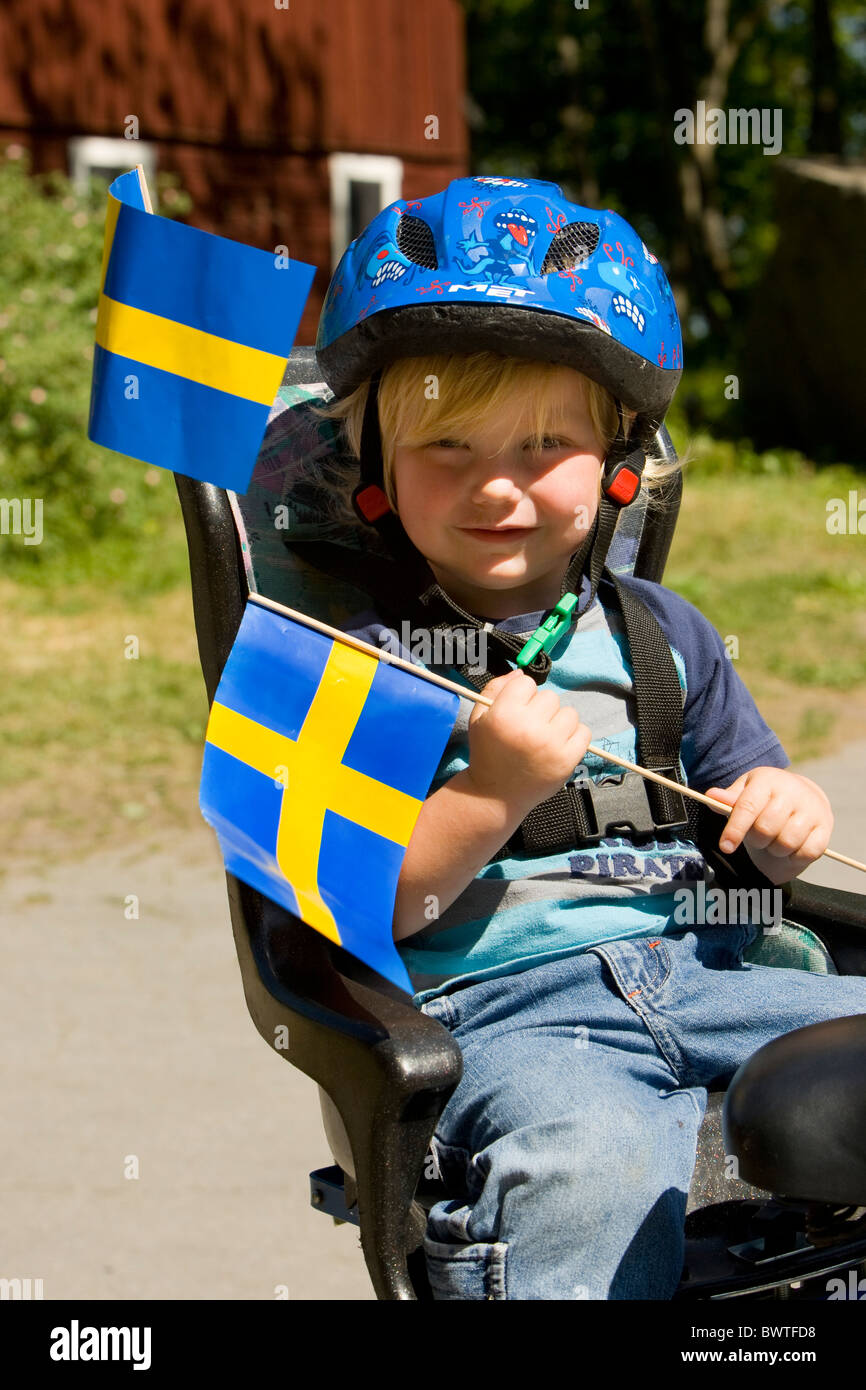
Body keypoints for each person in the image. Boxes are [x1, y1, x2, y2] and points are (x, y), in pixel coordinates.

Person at [311, 176, 866, 1300]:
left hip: (712, 967)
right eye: (446, 448)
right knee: (587, 1169)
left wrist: (780, 812)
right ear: (375, 470)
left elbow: (742, 806)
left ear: (619, 462)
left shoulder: (661, 636)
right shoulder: (355, 664)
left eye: (543, 444)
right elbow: (357, 906)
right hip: (508, 1012)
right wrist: (492, 789)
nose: (497, 486)